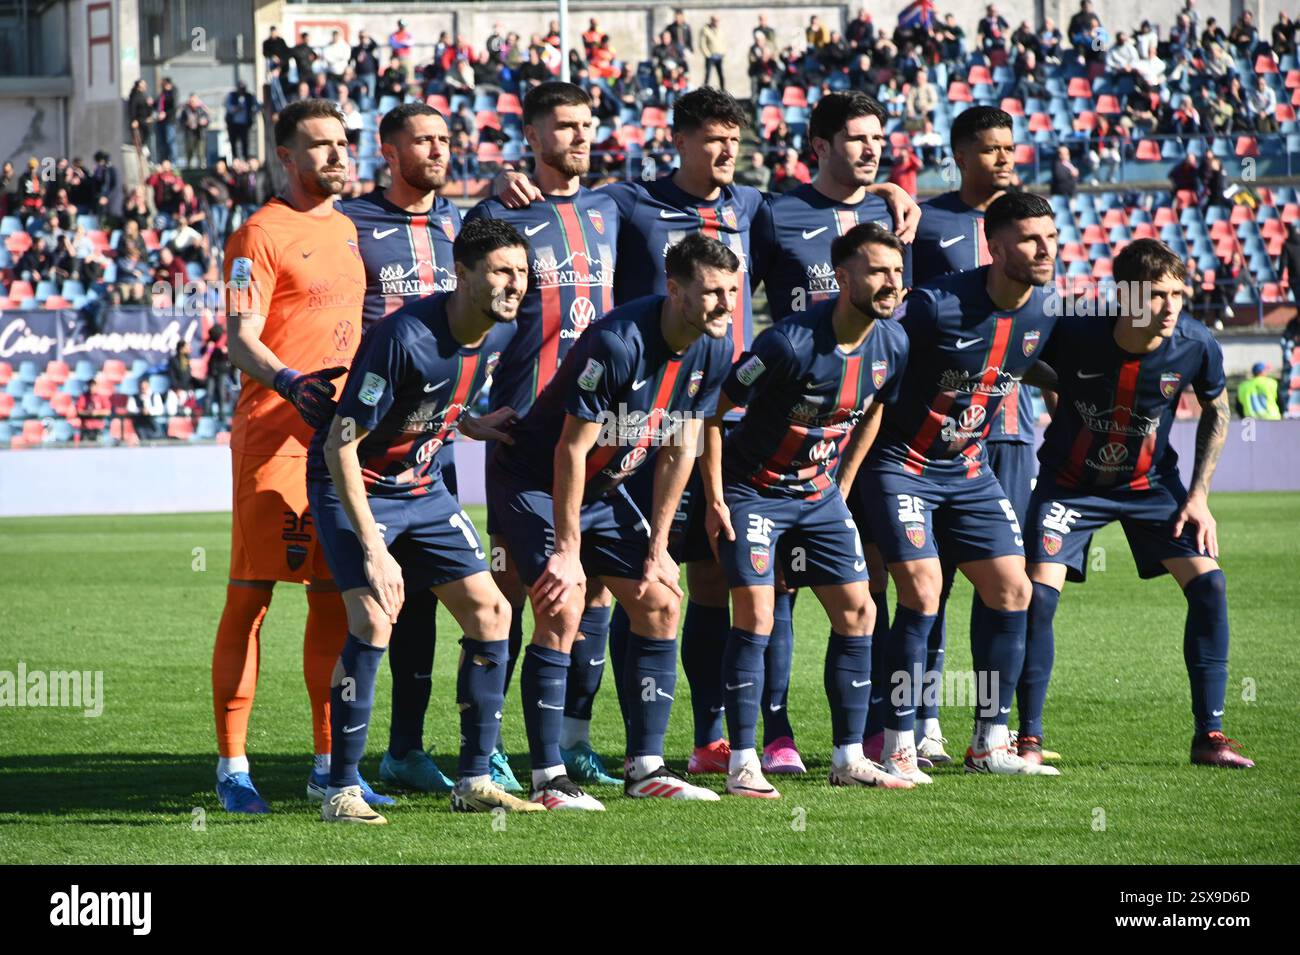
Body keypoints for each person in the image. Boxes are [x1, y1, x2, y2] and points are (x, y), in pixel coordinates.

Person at [488, 233, 736, 806]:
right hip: (534, 480)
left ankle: (646, 768)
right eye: (712, 291)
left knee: (660, 599)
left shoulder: (716, 347)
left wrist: (659, 549)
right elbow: (570, 452)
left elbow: (680, 448)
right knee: (562, 599)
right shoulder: (617, 343)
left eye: (731, 290)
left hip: (606, 487)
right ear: (675, 291)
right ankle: (548, 777)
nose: (726, 303)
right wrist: (568, 552)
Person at [306, 217, 539, 823]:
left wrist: (471, 424)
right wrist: (376, 550)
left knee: (494, 613)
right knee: (375, 619)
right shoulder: (401, 338)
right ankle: (341, 789)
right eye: (501, 271)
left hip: (425, 487)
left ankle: (474, 779)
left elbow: (427, 402)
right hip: (356, 485)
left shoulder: (496, 334)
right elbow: (340, 445)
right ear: (462, 274)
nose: (515, 283)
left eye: (521, 271)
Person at [1020, 238, 1253, 769]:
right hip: (1071, 485)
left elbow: (1218, 411)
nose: (1170, 306)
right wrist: (1060, 388)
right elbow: (1018, 355)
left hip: (1151, 487)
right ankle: (1027, 740)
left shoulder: (1196, 344)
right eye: (1156, 294)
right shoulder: (1075, 328)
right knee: (1039, 598)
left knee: (1210, 585)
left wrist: (1199, 497)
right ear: (1123, 296)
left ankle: (1209, 738)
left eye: (1177, 293)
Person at [704, 222, 915, 796]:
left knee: (860, 612)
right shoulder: (787, 343)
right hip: (754, 493)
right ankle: (743, 759)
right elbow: (714, 413)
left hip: (820, 496)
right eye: (877, 270)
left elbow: (873, 411)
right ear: (842, 277)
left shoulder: (892, 343)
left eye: (896, 270)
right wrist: (717, 497)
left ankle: (848, 757)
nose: (891, 281)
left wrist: (842, 483)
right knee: (758, 617)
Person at [858, 191, 1063, 778]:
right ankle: (897, 741)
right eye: (1029, 238)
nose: (1044, 248)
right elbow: (871, 362)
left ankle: (989, 743)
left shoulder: (1045, 309)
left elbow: (1045, 367)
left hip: (966, 466)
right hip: (901, 462)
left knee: (1012, 591)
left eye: (1050, 236)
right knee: (922, 594)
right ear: (994, 247)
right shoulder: (933, 306)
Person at [210, 99, 370, 815]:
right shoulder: (256, 235)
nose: (337, 156)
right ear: (286, 156)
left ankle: (328, 762)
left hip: (338, 445)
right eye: (320, 146)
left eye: (343, 143)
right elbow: (240, 335)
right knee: (251, 598)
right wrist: (288, 381)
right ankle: (232, 766)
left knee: (333, 599)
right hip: (274, 438)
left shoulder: (351, 227)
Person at [465, 83, 622, 789]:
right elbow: (459, 313)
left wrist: (891, 199)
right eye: (563, 126)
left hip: (599, 440)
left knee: (594, 595)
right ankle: (488, 747)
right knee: (508, 597)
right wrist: (466, 411)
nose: (580, 136)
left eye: (587, 125)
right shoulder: (499, 212)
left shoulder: (613, 208)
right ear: (529, 134)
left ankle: (571, 739)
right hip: (524, 440)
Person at [335, 102, 467, 795]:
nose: (439, 150)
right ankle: (332, 763)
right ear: (389, 150)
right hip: (361, 444)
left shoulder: (458, 226)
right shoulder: (351, 225)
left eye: (446, 139)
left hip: (432, 445)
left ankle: (406, 749)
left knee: (423, 603)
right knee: (364, 606)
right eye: (424, 140)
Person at [224, 82, 257, 161]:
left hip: (244, 124)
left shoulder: (249, 96)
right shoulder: (231, 95)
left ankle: (245, 158)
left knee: (244, 142)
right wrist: (236, 109)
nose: (242, 91)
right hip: (233, 124)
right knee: (233, 142)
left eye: (243, 89)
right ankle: (235, 159)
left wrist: (252, 111)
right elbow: (228, 107)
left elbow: (256, 106)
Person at [177, 94, 211, 169]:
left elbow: (208, 119)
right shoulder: (185, 110)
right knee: (189, 151)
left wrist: (204, 122)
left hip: (200, 133)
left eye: (194, 101)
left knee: (201, 152)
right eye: (191, 101)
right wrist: (187, 123)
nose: (192, 103)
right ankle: (189, 167)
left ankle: (201, 167)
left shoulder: (202, 109)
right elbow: (180, 121)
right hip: (190, 134)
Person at [155, 78, 178, 165]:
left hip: (169, 121)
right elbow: (159, 105)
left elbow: (174, 107)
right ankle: (163, 161)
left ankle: (173, 162)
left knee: (170, 141)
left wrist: (165, 114)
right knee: (162, 143)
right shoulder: (162, 94)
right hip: (161, 122)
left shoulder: (173, 92)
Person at [700, 16, 726, 90]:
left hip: (719, 56)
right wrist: (708, 54)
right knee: (708, 74)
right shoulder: (706, 30)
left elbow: (724, 42)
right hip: (710, 56)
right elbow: (702, 44)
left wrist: (723, 52)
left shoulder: (720, 30)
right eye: (715, 20)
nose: (717, 22)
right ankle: (704, 90)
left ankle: (723, 90)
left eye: (718, 21)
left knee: (721, 75)